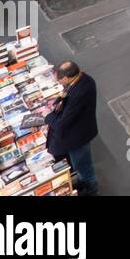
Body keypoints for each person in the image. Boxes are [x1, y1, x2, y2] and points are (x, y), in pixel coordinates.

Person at [44, 61, 99, 195]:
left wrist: (47, 117)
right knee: (80, 165)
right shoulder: (82, 78)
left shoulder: (79, 93)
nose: (60, 83)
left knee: (83, 166)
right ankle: (82, 182)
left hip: (78, 137)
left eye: (60, 80)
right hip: (81, 130)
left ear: (67, 77)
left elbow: (62, 124)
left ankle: (91, 190)